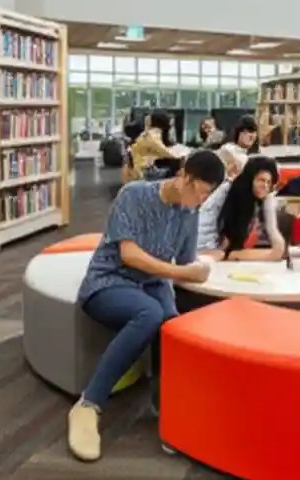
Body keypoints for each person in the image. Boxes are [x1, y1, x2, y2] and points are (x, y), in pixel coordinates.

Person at [68, 150, 225, 463]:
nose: (204, 201)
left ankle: (167, 406)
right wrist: (182, 273)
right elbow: (130, 255)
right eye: (203, 192)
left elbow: (184, 259)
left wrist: (207, 262)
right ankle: (88, 404)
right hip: (109, 281)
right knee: (150, 313)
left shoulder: (188, 212)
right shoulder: (134, 195)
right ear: (186, 178)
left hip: (150, 284)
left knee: (172, 324)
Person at [196, 155, 287, 261]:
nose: (265, 186)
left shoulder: (254, 199)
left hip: (220, 250)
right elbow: (227, 245)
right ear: (250, 179)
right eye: (261, 180)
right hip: (204, 249)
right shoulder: (233, 191)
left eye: (269, 182)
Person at [129, 111, 177, 181]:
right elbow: (166, 152)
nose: (172, 127)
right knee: (175, 173)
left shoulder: (149, 134)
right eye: (171, 124)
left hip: (143, 169)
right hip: (145, 172)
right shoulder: (152, 135)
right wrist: (184, 152)